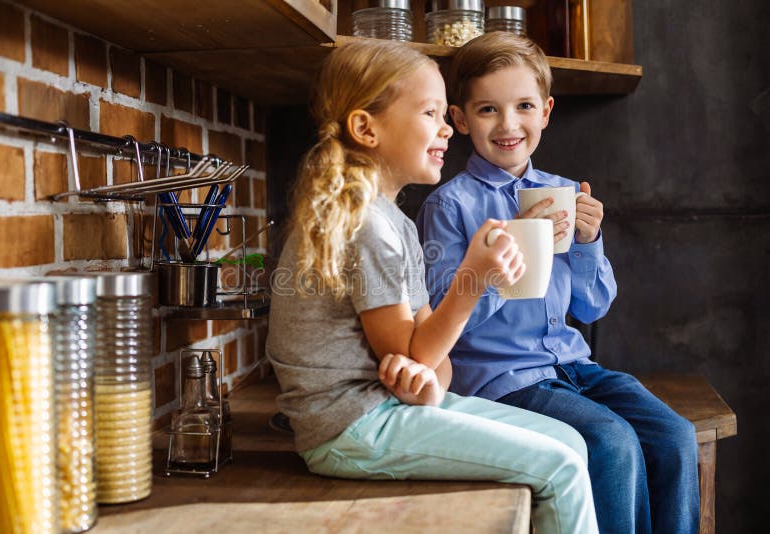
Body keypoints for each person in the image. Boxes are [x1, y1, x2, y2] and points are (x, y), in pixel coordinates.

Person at [266, 39, 598, 534]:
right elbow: (419, 348)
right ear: (366, 128)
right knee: (562, 466)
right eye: (430, 113)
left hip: (387, 409)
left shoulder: (393, 221)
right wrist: (474, 276)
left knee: (571, 444)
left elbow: (431, 357)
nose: (447, 128)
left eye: (446, 114)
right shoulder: (365, 226)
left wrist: (428, 382)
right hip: (350, 429)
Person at [416, 32, 699, 534]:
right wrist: (504, 268)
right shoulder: (450, 205)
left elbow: (592, 309)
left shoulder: (564, 194)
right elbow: (442, 317)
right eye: (487, 110)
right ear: (460, 120)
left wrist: (589, 241)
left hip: (573, 365)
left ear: (545, 111)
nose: (509, 125)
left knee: (675, 435)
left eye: (524, 106)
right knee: (611, 441)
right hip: (500, 380)